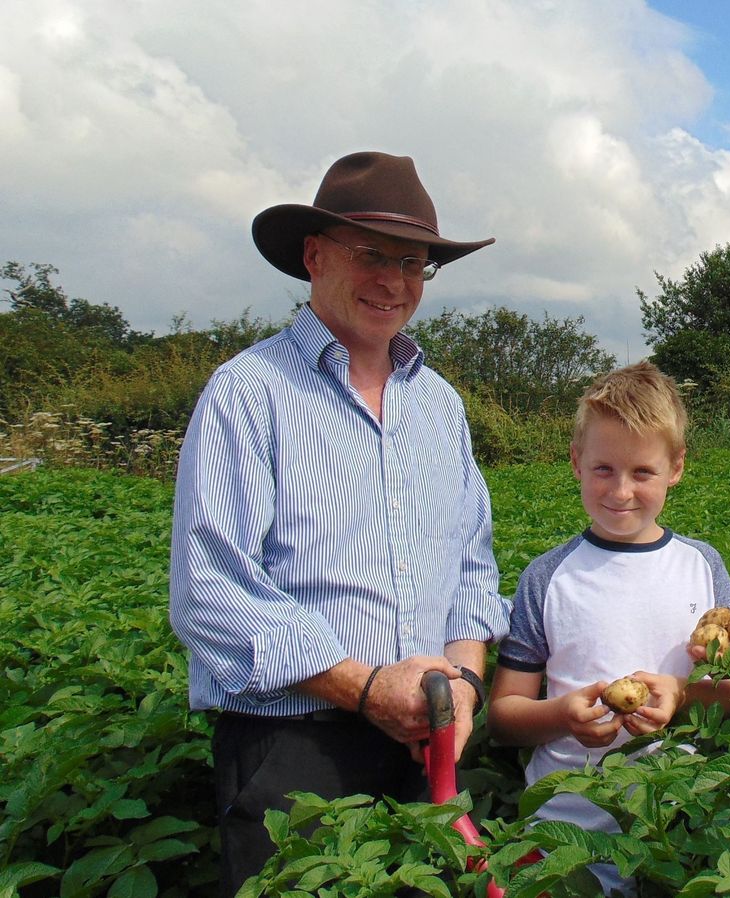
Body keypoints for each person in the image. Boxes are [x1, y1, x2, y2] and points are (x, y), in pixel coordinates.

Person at [168, 151, 511, 896]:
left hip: (428, 747)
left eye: (414, 264)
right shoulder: (249, 392)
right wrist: (362, 688)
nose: (394, 282)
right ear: (314, 256)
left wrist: (463, 685)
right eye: (372, 257)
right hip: (295, 753)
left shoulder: (440, 406)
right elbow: (211, 589)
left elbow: (472, 571)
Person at [488, 361, 730, 896]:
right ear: (576, 461)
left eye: (643, 472)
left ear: (676, 467)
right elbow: (505, 718)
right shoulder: (547, 577)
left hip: (676, 825)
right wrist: (562, 716)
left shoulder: (702, 567)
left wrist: (685, 693)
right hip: (564, 830)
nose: (621, 491)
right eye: (603, 468)